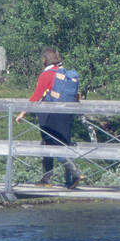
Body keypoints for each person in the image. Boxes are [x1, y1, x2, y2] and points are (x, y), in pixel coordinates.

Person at [15, 45, 82, 188]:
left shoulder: (47, 74)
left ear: (44, 60)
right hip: (65, 115)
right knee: (62, 145)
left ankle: (72, 173)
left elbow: (36, 95)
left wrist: (22, 113)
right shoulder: (64, 73)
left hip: (49, 116)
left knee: (50, 145)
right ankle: (67, 180)